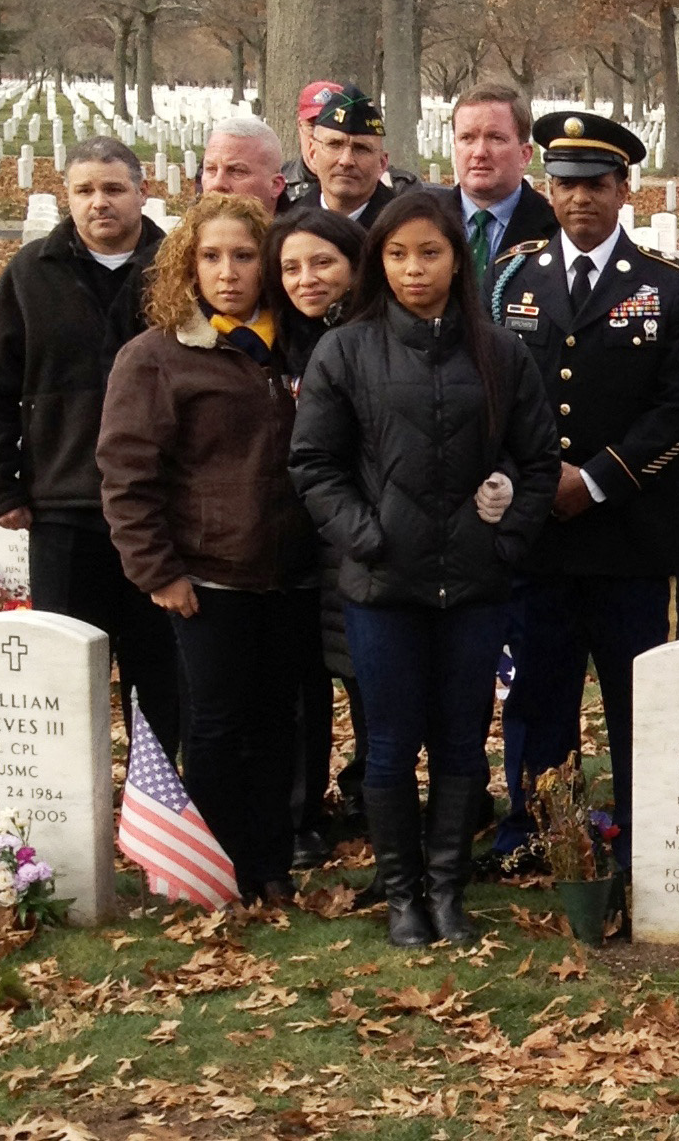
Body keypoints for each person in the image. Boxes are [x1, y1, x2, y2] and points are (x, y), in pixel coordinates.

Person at [292, 191, 560, 946]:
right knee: (389, 742)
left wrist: (506, 539)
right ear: (380, 260)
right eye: (399, 254)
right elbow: (315, 464)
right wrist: (365, 537)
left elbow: (538, 458)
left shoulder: (499, 351)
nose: (416, 270)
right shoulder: (345, 351)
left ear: (456, 261)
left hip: (474, 585)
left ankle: (447, 889)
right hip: (384, 585)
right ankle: (402, 891)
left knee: (459, 741)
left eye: (431, 253)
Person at [484, 112, 679, 870]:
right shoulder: (512, 276)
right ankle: (538, 830)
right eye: (565, 184)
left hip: (628, 538)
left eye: (595, 185)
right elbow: (490, 395)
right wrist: (538, 481)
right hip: (537, 532)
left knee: (634, 698)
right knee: (539, 694)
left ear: (624, 190)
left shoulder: (669, 286)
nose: (578, 198)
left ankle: (643, 832)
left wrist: (600, 479)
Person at [96, 193, 316, 906]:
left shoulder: (297, 345)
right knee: (217, 726)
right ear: (188, 266)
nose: (229, 273)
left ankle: (271, 863)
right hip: (205, 580)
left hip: (287, 576)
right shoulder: (158, 356)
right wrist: (159, 572)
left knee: (278, 720)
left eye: (245, 257)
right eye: (211, 257)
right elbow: (127, 475)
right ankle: (218, 872)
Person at [0, 137, 181, 759]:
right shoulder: (32, 272)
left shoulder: (178, 268)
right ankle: (71, 795)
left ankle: (156, 804)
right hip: (63, 508)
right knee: (67, 675)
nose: (99, 203)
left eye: (113, 188)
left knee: (159, 671)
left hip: (159, 510)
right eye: (84, 190)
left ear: (141, 191)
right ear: (68, 197)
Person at [269, 205, 370, 868]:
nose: (307, 279)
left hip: (359, 533)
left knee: (367, 678)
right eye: (291, 267)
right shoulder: (264, 341)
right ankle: (301, 813)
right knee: (298, 685)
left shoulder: (374, 334)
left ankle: (370, 798)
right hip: (282, 534)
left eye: (323, 262)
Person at [451, 84, 556, 270]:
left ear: (525, 155)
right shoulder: (422, 222)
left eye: (495, 138)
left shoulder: (556, 230)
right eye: (467, 138)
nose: (479, 152)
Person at [282, 86, 400, 225]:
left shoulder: (402, 228)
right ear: (313, 154)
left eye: (361, 148)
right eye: (334, 145)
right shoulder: (288, 228)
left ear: (382, 163)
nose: (346, 160)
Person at [200, 116, 288, 211]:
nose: (217, 184)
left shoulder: (300, 224)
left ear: (275, 185)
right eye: (211, 169)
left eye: (237, 171)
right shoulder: (187, 224)